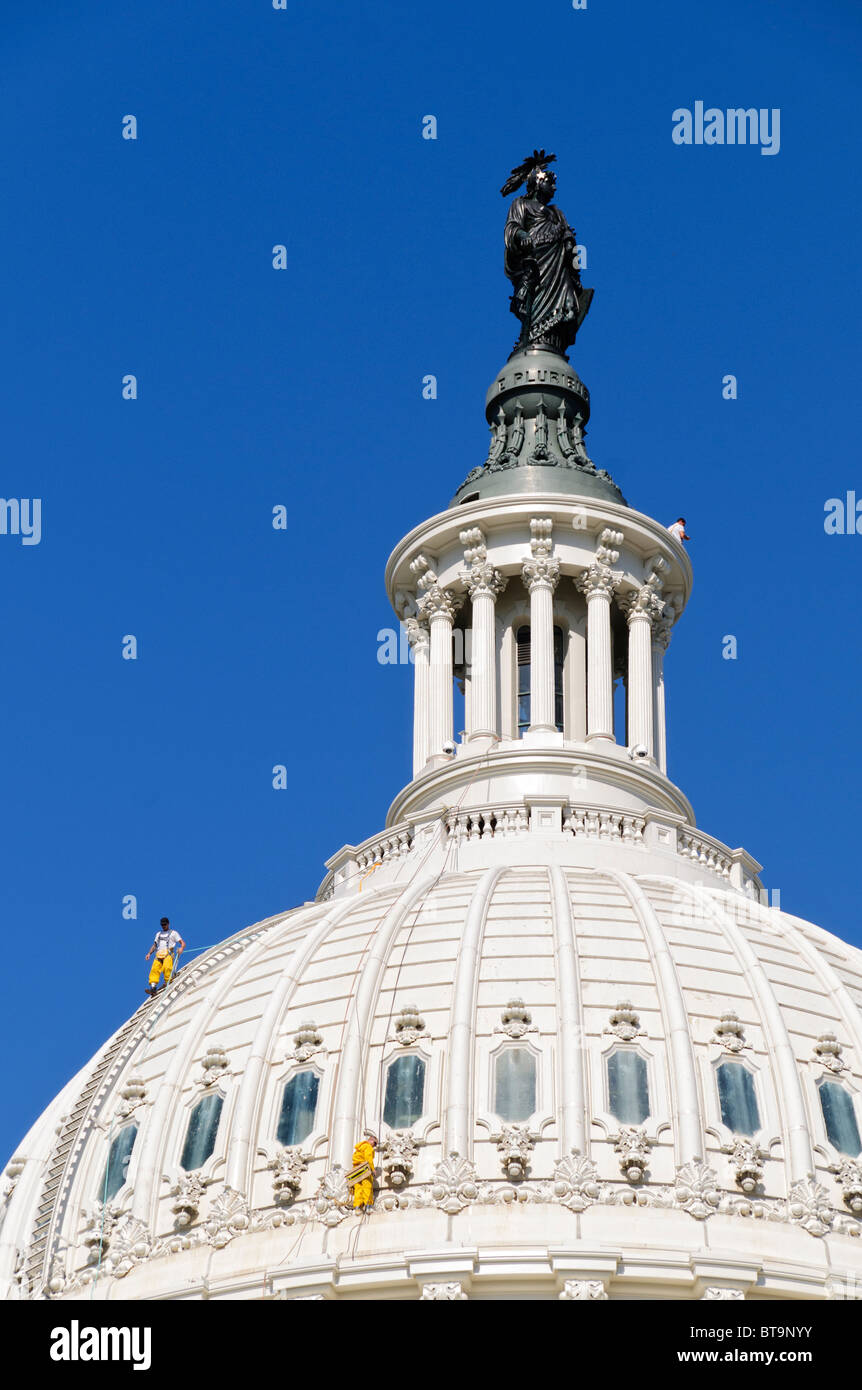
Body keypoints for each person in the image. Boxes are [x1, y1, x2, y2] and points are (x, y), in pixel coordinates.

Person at [144, 917, 185, 997]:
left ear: (168, 924)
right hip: (158, 955)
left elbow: (182, 943)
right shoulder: (158, 934)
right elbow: (155, 945)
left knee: (167, 968)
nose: (163, 926)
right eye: (162, 925)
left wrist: (181, 948)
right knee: (154, 970)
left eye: (165, 925)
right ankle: (153, 988)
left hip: (168, 954)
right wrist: (149, 953)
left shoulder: (173, 933)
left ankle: (168, 982)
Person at [351, 1132, 377, 1211]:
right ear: (371, 1141)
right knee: (367, 1186)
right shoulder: (368, 1147)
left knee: (358, 1188)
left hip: (356, 1170)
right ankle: (368, 1205)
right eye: (375, 1144)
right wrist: (373, 1169)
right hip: (364, 1168)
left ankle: (357, 1207)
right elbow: (368, 1158)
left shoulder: (359, 1148)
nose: (375, 1146)